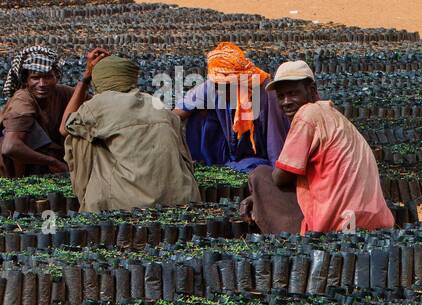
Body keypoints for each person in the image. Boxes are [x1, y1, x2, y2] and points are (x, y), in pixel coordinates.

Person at [242, 60, 394, 235]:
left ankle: (296, 240)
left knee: (260, 175)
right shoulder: (334, 116)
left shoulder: (307, 115)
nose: (286, 102)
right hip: (371, 220)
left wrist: (258, 197)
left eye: (293, 94)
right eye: (281, 96)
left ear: (312, 90)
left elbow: (280, 178)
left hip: (335, 225)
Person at [60, 54, 202, 212]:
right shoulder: (156, 103)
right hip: (182, 198)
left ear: (98, 80)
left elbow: (64, 128)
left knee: (79, 137)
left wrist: (84, 79)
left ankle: (96, 204)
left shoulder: (98, 104)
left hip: (125, 204)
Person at [176, 42, 289, 171]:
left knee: (258, 170)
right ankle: (206, 160)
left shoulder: (266, 93)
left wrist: (278, 173)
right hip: (230, 151)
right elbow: (179, 111)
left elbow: (275, 141)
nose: (221, 92)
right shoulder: (213, 85)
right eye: (218, 87)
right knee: (198, 113)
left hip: (259, 154)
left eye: (227, 87)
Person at [0, 45, 103, 176]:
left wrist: (88, 75)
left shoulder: (61, 92)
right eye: (35, 78)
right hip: (19, 169)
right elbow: (11, 147)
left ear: (56, 77)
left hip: (48, 161)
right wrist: (53, 162)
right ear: (26, 81)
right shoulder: (22, 100)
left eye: (48, 77)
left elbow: (94, 102)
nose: (42, 84)